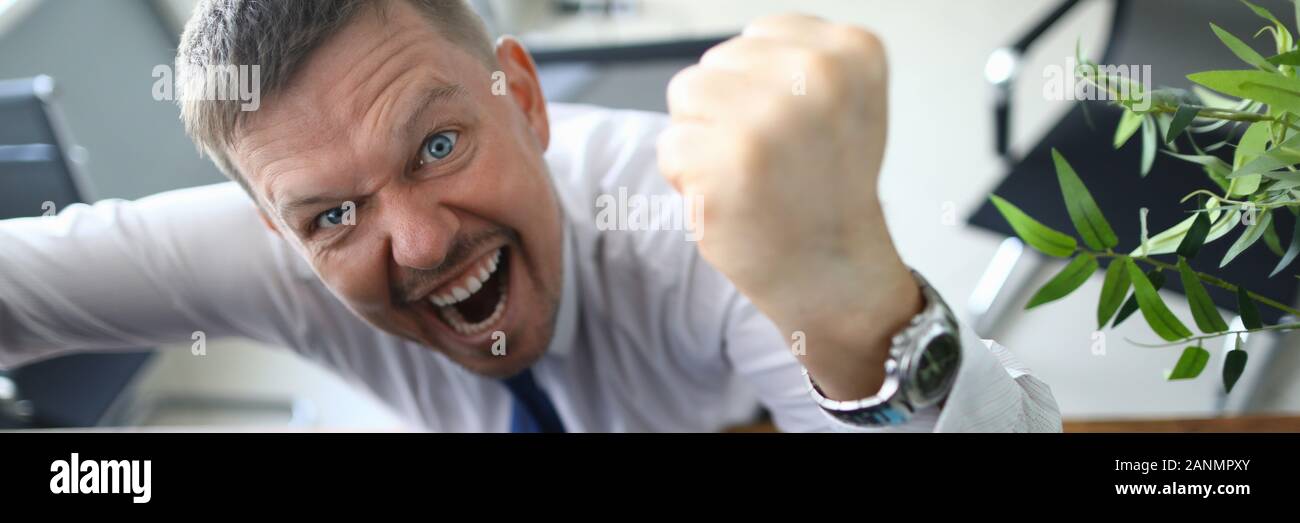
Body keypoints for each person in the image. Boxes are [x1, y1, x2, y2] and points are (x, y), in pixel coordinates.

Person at [0, 0, 1060, 432]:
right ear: (276, 235)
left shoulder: (688, 222)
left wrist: (856, 310)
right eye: (329, 214)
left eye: (437, 145)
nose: (417, 245)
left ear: (525, 96)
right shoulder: (264, 254)